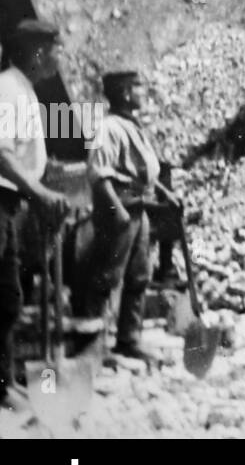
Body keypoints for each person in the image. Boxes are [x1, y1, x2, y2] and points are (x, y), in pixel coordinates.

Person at [75, 70, 178, 362]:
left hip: (137, 207)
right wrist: (117, 212)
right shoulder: (107, 128)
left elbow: (138, 167)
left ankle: (128, 339)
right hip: (118, 209)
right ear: (123, 93)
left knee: (139, 275)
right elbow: (98, 173)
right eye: (138, 87)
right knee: (106, 276)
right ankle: (89, 346)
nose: (144, 93)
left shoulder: (130, 126)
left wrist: (163, 192)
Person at [0, 18, 71, 408]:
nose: (59, 58)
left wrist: (45, 179)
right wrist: (40, 191)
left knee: (8, 297)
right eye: (56, 49)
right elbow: (2, 154)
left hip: (10, 205)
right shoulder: (9, 88)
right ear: (39, 52)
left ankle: (3, 383)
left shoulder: (24, 91)